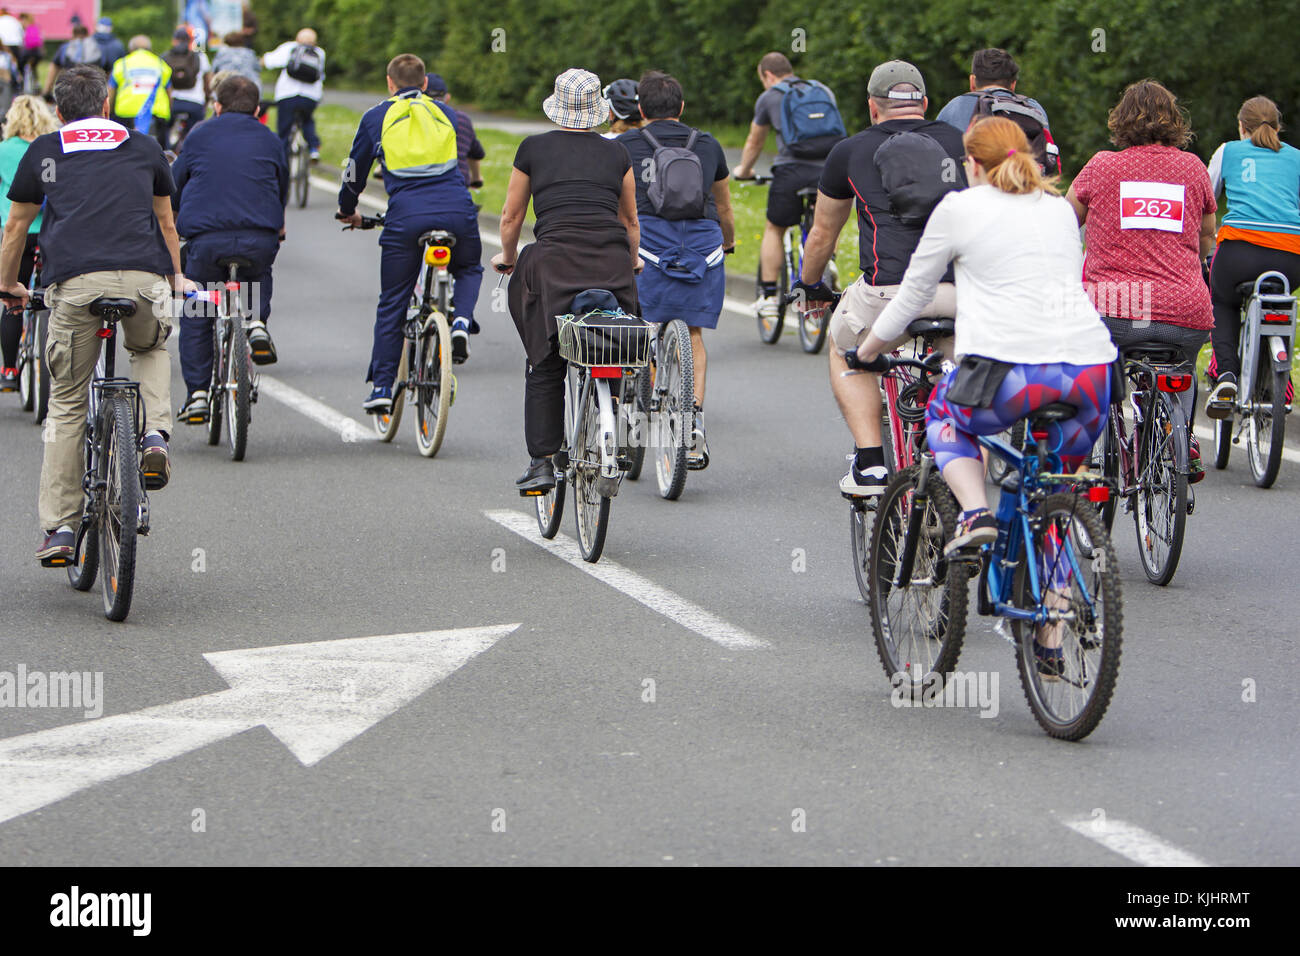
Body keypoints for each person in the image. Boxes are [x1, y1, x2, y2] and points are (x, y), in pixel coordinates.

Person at [854, 116, 1116, 574]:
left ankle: (975, 513)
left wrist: (869, 349)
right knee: (1053, 492)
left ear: (970, 165)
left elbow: (914, 292)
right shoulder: (1056, 208)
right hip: (1091, 373)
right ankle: (1055, 626)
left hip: (1012, 373)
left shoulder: (960, 209)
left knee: (942, 415)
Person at [0, 65, 185, 565]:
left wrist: (9, 285)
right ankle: (153, 435)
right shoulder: (144, 145)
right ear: (107, 105)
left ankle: (61, 527)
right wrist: (177, 278)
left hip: (75, 282)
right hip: (146, 277)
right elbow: (167, 221)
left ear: (59, 111)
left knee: (65, 402)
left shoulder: (47, 149)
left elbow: (17, 226)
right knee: (148, 347)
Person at [796, 60, 966, 497]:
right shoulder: (963, 142)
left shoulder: (849, 151)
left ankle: (870, 462)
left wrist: (811, 285)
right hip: (961, 293)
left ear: (873, 107)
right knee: (962, 367)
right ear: (926, 104)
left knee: (842, 346)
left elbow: (821, 235)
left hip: (887, 293)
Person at [493, 68, 640, 493]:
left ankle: (541, 462)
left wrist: (506, 258)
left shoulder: (533, 148)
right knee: (612, 338)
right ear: (599, 111)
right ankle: (613, 423)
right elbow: (629, 220)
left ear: (557, 107)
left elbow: (511, 217)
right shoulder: (617, 154)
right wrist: (631, 262)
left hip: (553, 263)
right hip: (610, 263)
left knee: (545, 358)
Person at [1066, 80, 1216, 481]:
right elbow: (1206, 238)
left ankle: (1083, 457)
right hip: (1185, 311)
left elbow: (1063, 224)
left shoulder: (1101, 166)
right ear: (1174, 121)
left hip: (1114, 308)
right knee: (1180, 366)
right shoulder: (1194, 168)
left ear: (1121, 121)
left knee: (1092, 365)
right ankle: (1182, 432)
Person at [337, 54, 483, 410]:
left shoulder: (376, 117)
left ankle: (383, 389)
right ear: (424, 84)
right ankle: (461, 321)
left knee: (393, 302)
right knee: (469, 267)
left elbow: (355, 171)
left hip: (406, 216)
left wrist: (347, 208)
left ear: (389, 83)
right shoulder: (449, 115)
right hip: (457, 208)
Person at [616, 69, 733, 462]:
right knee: (694, 335)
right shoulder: (708, 145)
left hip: (649, 241)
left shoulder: (625, 145)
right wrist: (728, 242)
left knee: (644, 324)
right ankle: (694, 419)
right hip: (702, 242)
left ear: (641, 108)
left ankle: (639, 414)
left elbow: (617, 204)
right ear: (681, 108)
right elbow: (724, 204)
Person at [172, 75, 287, 422]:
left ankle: (197, 394)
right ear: (257, 110)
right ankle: (255, 323)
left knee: (197, 311)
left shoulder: (200, 134)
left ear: (216, 106)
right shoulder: (270, 139)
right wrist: (276, 225)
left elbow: (176, 185)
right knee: (257, 272)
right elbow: (280, 186)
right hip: (258, 236)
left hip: (206, 240)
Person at [1204, 95, 1300, 416]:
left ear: (1241, 127)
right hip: (1291, 258)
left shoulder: (1228, 151)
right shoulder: (1296, 158)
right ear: (1277, 127)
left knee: (1222, 300)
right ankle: (1282, 384)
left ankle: (1227, 374)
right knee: (1280, 302)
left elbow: (1206, 201)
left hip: (1238, 253)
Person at [732, 52, 842, 324]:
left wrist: (744, 171)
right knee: (827, 222)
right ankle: (830, 262)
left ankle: (769, 297)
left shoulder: (769, 97)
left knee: (775, 227)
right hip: (829, 167)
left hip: (792, 170)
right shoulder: (822, 89)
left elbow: (755, 141)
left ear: (768, 75)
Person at [0, 94, 57, 389]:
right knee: (51, 297)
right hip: (49, 231)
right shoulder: (50, 150)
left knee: (11, 298)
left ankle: (9, 369)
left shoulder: (3, 150)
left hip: (15, 233)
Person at [263, 28, 324, 161]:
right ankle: (313, 148)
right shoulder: (320, 52)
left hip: (287, 95)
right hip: (310, 96)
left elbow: (269, 61)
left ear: (297, 39)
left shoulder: (289, 48)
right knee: (307, 120)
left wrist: (260, 62)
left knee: (283, 132)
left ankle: (282, 164)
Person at [425, 72, 484, 188]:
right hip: (458, 189)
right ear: (447, 98)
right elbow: (475, 154)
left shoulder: (413, 120)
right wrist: (476, 178)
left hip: (423, 190)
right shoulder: (462, 119)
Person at [110, 35, 172, 144]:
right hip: (155, 113)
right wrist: (169, 111)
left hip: (126, 113)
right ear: (150, 49)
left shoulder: (122, 63)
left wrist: (108, 114)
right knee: (161, 149)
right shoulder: (160, 63)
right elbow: (169, 91)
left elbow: (110, 91)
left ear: (131, 49)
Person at [162, 27, 211, 148]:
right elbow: (208, 82)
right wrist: (206, 101)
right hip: (195, 103)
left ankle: (166, 154)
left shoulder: (165, 57)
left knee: (164, 131)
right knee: (196, 133)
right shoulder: (201, 57)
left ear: (174, 41)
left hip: (172, 103)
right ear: (190, 41)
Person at [44, 23, 105, 95]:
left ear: (73, 35)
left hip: (69, 88)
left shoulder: (65, 47)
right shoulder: (98, 47)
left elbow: (54, 68)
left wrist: (47, 90)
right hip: (92, 89)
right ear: (88, 35)